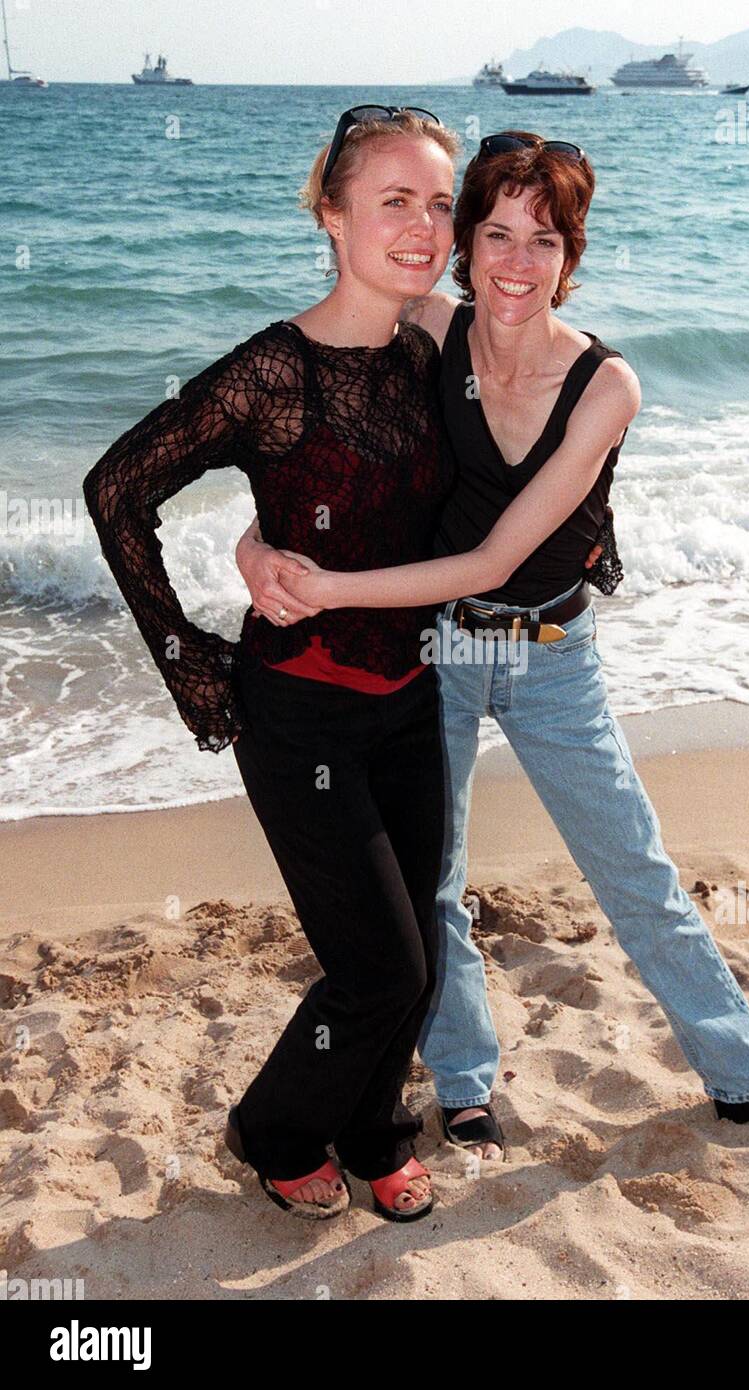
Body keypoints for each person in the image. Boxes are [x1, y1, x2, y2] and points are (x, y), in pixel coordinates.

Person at [236, 130, 749, 1162]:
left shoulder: (605, 387)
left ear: (573, 256)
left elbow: (491, 561)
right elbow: (306, 443)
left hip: (552, 654)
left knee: (635, 869)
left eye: (545, 239)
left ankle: (747, 1078)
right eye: (495, 233)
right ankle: (467, 1086)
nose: (516, 262)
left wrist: (335, 586)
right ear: (468, 244)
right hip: (433, 650)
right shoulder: (428, 330)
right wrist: (258, 541)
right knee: (434, 882)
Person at [83, 106, 474, 1222]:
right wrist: (184, 654)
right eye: (393, 200)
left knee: (421, 954)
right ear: (333, 215)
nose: (423, 225)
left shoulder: (435, 352)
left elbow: (539, 384)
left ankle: (373, 1127)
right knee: (382, 970)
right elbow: (117, 489)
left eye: (439, 203)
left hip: (413, 700)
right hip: (299, 716)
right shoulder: (272, 372)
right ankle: (275, 1127)